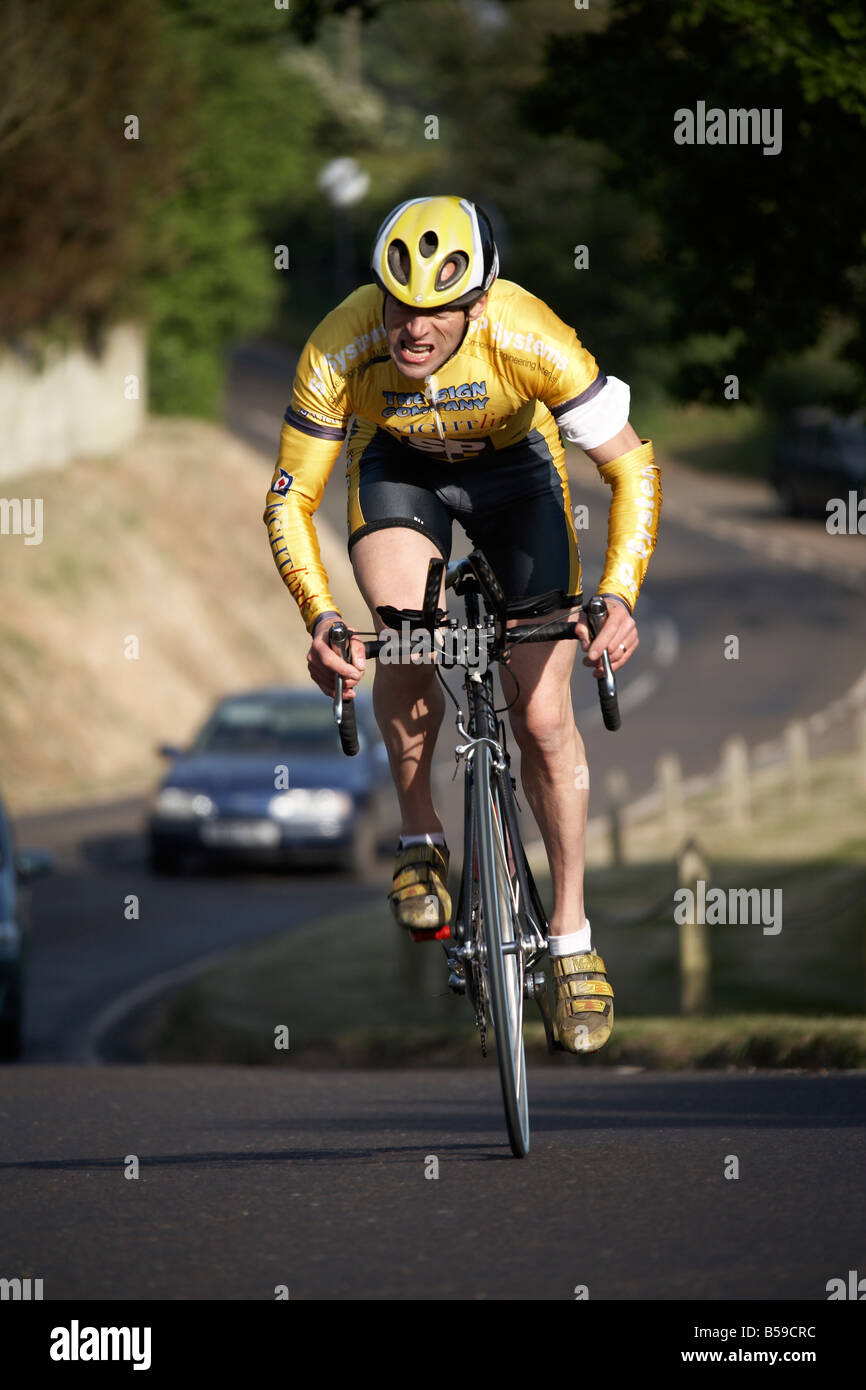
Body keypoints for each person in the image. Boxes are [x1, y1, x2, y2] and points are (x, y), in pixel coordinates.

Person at [264, 195, 661, 1053]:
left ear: (476, 303)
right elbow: (290, 497)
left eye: (437, 310)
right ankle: (419, 838)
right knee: (405, 624)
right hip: (397, 470)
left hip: (518, 477)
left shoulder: (529, 335)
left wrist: (620, 595)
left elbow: (632, 467)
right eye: (400, 304)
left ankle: (570, 940)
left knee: (545, 718)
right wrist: (323, 616)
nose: (413, 328)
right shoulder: (341, 343)